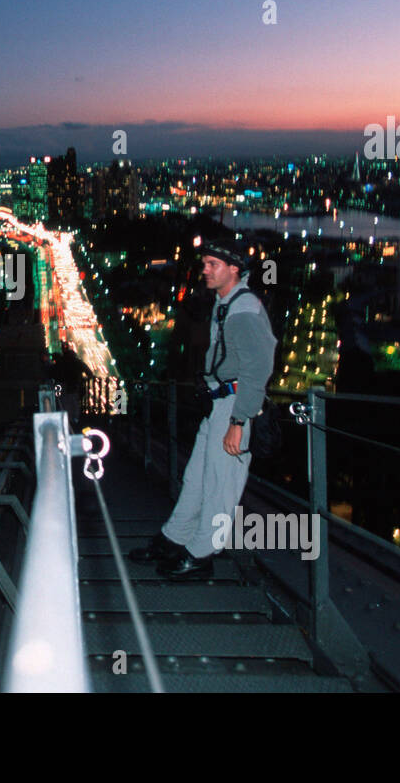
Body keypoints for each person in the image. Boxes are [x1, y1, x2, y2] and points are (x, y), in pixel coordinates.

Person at [128, 237, 276, 579]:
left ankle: (201, 554)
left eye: (213, 265)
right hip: (219, 402)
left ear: (234, 269)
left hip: (235, 405)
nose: (205, 270)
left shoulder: (244, 309)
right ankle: (174, 538)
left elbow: (258, 368)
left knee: (220, 483)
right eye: (205, 263)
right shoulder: (226, 303)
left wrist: (239, 420)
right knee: (196, 477)